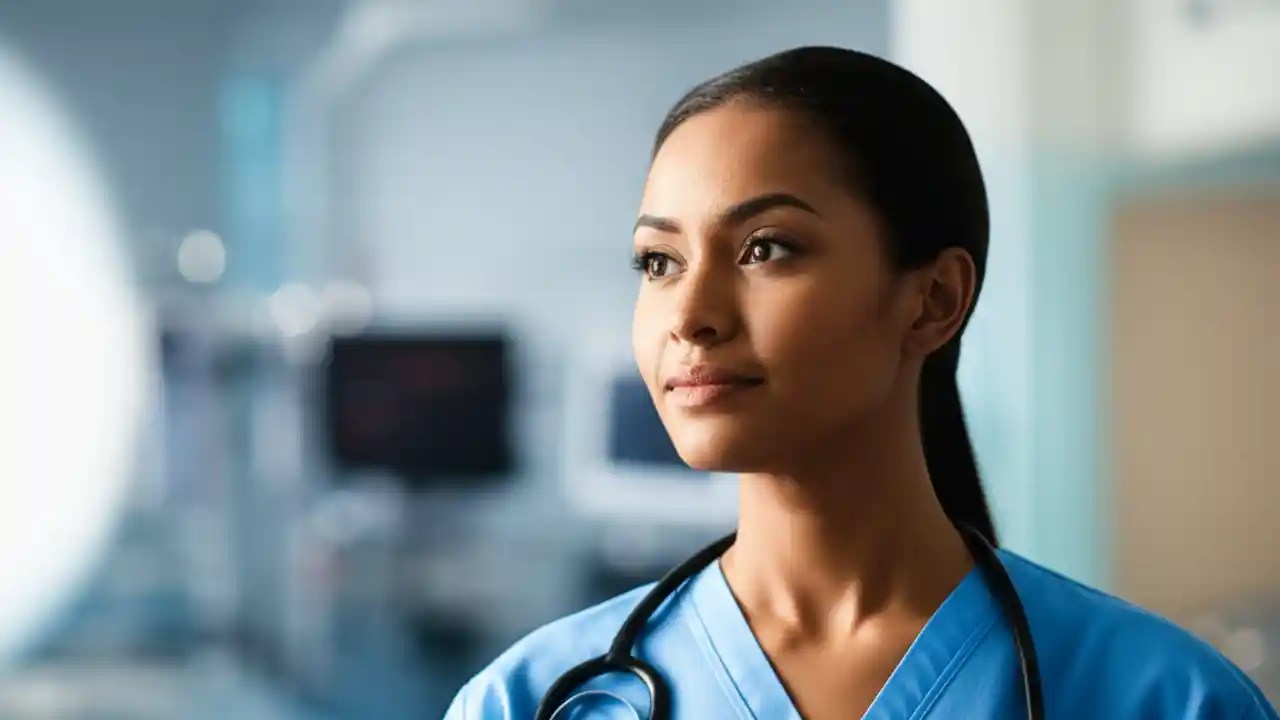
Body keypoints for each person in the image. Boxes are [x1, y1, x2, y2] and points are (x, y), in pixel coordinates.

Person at [444, 46, 1278, 719]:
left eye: (766, 247)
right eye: (658, 262)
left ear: (933, 300)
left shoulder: (1164, 699)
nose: (689, 315)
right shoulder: (532, 701)